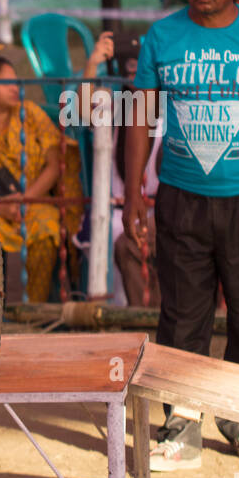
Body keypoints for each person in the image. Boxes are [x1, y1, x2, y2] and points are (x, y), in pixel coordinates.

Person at [124, 0, 239, 469]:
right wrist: (133, 189)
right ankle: (183, 424)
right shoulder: (162, 36)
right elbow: (140, 116)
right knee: (182, 317)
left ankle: (238, 414)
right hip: (180, 197)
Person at [0, 57, 83, 303]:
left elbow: (56, 165)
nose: (15, 88)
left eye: (15, 81)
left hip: (32, 201)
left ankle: (35, 307)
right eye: (5, 81)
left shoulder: (29, 113)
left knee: (47, 227)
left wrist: (24, 200)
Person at [78, 32, 161, 308]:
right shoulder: (115, 108)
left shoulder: (170, 111)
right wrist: (92, 64)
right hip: (116, 214)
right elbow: (80, 112)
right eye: (132, 72)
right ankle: (130, 317)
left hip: (158, 211)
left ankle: (154, 320)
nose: (138, 80)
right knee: (122, 244)